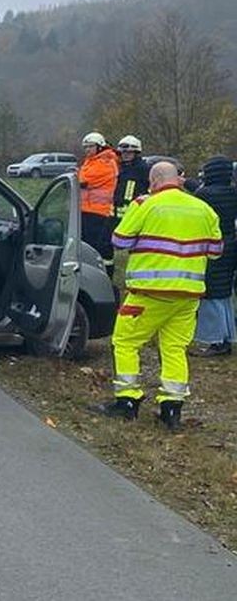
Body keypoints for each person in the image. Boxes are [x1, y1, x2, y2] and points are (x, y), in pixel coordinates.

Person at [95, 161, 223, 430]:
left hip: (149, 294)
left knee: (125, 342)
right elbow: (215, 250)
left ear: (153, 182)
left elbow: (119, 241)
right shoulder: (204, 209)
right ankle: (171, 409)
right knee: (175, 349)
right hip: (188, 296)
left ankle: (127, 401)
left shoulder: (145, 204)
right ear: (179, 180)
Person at [192, 157, 237, 356]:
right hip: (231, 245)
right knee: (225, 292)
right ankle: (227, 336)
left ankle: (215, 340)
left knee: (211, 293)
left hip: (211, 246)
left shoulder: (204, 194)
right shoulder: (233, 192)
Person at [77, 131, 120, 263]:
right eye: (86, 147)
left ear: (99, 147)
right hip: (87, 210)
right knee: (87, 246)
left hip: (99, 212)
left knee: (96, 247)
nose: (87, 150)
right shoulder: (91, 161)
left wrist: (76, 175)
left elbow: (83, 180)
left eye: (90, 146)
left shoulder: (105, 162)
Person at [112, 135, 150, 217]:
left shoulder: (143, 169)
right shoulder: (120, 168)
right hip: (116, 214)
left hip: (135, 213)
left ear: (136, 153)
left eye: (129, 152)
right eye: (123, 152)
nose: (125, 155)